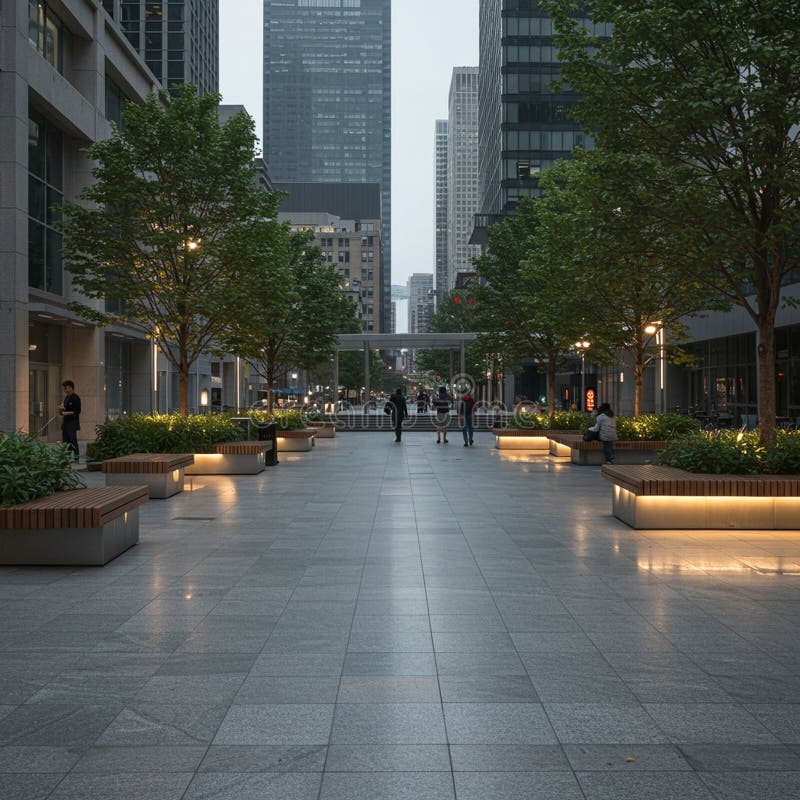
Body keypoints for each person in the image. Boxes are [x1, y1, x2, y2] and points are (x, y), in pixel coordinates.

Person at [59, 380, 81, 461]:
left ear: (71, 388)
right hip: (66, 422)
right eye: (64, 389)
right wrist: (61, 410)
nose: (65, 390)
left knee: (72, 440)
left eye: (66, 388)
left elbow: (77, 411)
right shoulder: (67, 398)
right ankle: (67, 459)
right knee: (66, 441)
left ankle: (76, 459)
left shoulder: (76, 398)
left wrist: (66, 413)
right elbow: (63, 411)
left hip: (72, 422)